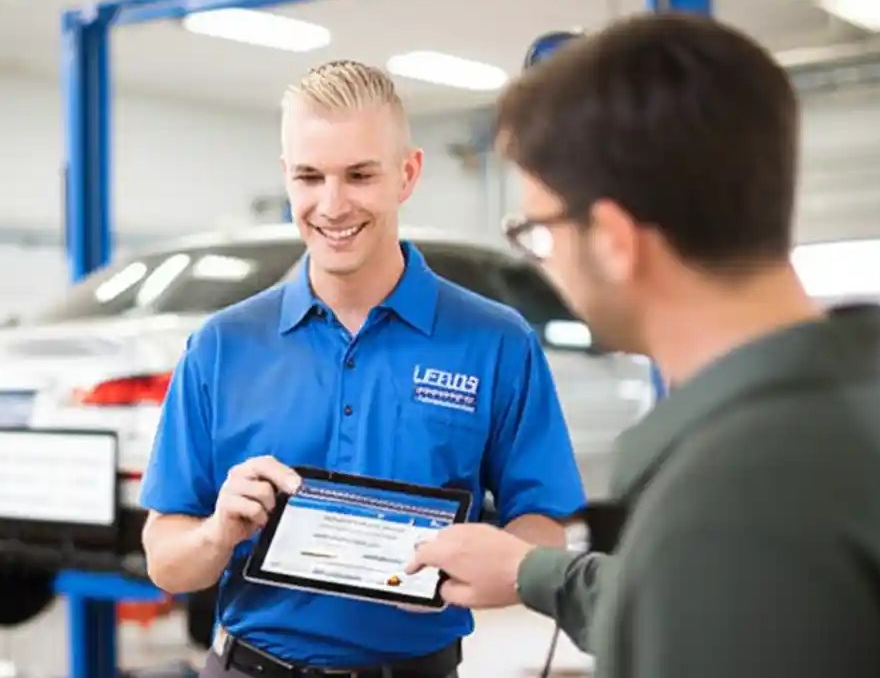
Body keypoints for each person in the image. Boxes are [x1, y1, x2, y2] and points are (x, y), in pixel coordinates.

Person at [407, 12, 880, 677]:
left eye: (538, 233)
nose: (545, 263)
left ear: (615, 242)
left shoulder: (726, 501)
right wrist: (539, 573)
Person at [138, 59, 587, 678]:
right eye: (310, 176)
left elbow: (543, 528)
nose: (332, 204)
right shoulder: (221, 346)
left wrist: (493, 566)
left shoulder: (496, 343)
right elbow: (166, 559)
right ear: (287, 179)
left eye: (359, 175)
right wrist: (217, 534)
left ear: (407, 174)